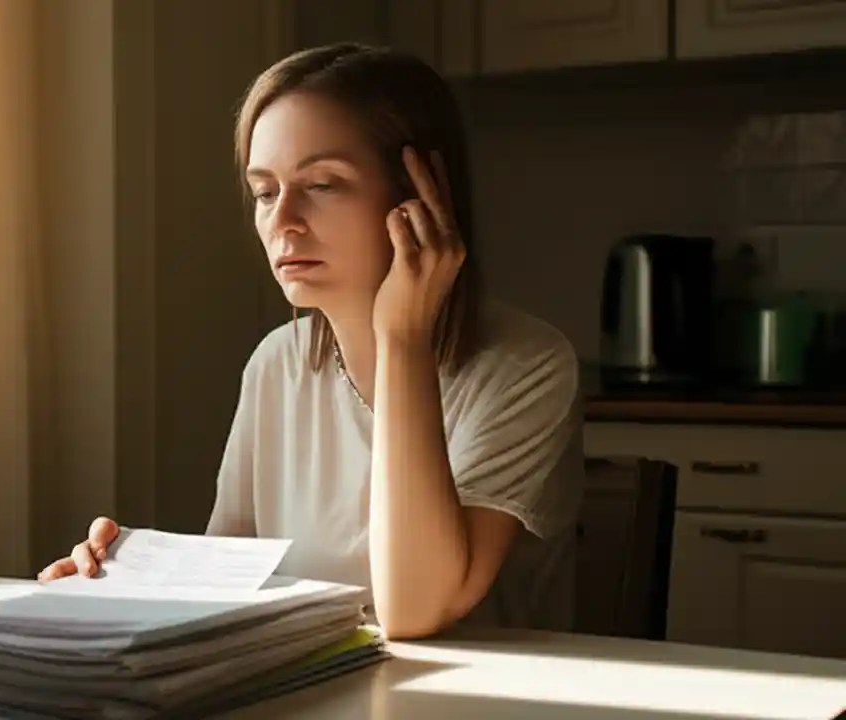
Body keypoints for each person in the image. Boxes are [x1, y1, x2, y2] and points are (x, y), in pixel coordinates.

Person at [38, 43, 584, 640]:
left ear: (423, 197)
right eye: (266, 191)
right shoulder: (278, 363)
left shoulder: (527, 366)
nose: (283, 220)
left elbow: (412, 611)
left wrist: (401, 336)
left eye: (323, 184)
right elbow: (224, 587)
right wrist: (119, 587)